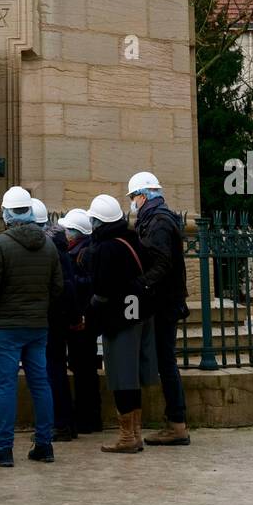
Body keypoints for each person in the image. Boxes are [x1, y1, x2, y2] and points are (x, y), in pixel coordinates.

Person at [0, 187, 63, 468]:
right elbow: (57, 288)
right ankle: (44, 444)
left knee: (6, 386)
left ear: (7, 214)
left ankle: (4, 448)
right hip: (37, 325)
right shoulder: (49, 246)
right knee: (40, 383)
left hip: (6, 326)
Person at [86, 193, 157, 455]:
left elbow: (102, 290)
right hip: (140, 314)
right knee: (133, 377)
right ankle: (134, 433)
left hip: (119, 319)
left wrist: (90, 311)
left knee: (121, 376)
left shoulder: (107, 247)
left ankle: (128, 436)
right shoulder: (132, 239)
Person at [127, 171, 191, 447]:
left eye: (133, 197)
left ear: (143, 195)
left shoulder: (160, 221)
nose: (132, 202)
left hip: (164, 302)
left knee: (166, 362)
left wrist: (140, 285)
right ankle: (174, 423)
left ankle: (177, 424)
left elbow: (162, 263)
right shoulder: (156, 218)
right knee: (164, 361)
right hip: (163, 300)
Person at [32, 197, 78, 442]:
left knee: (52, 372)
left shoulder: (50, 249)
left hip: (51, 318)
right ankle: (61, 422)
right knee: (53, 370)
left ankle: (60, 423)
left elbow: (64, 287)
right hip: (57, 318)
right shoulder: (58, 246)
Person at [58, 209, 102, 434]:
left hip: (83, 320)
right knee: (82, 367)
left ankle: (88, 418)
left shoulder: (84, 252)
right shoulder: (77, 249)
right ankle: (86, 416)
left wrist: (69, 280)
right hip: (80, 318)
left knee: (84, 369)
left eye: (68, 229)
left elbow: (87, 284)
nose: (65, 232)